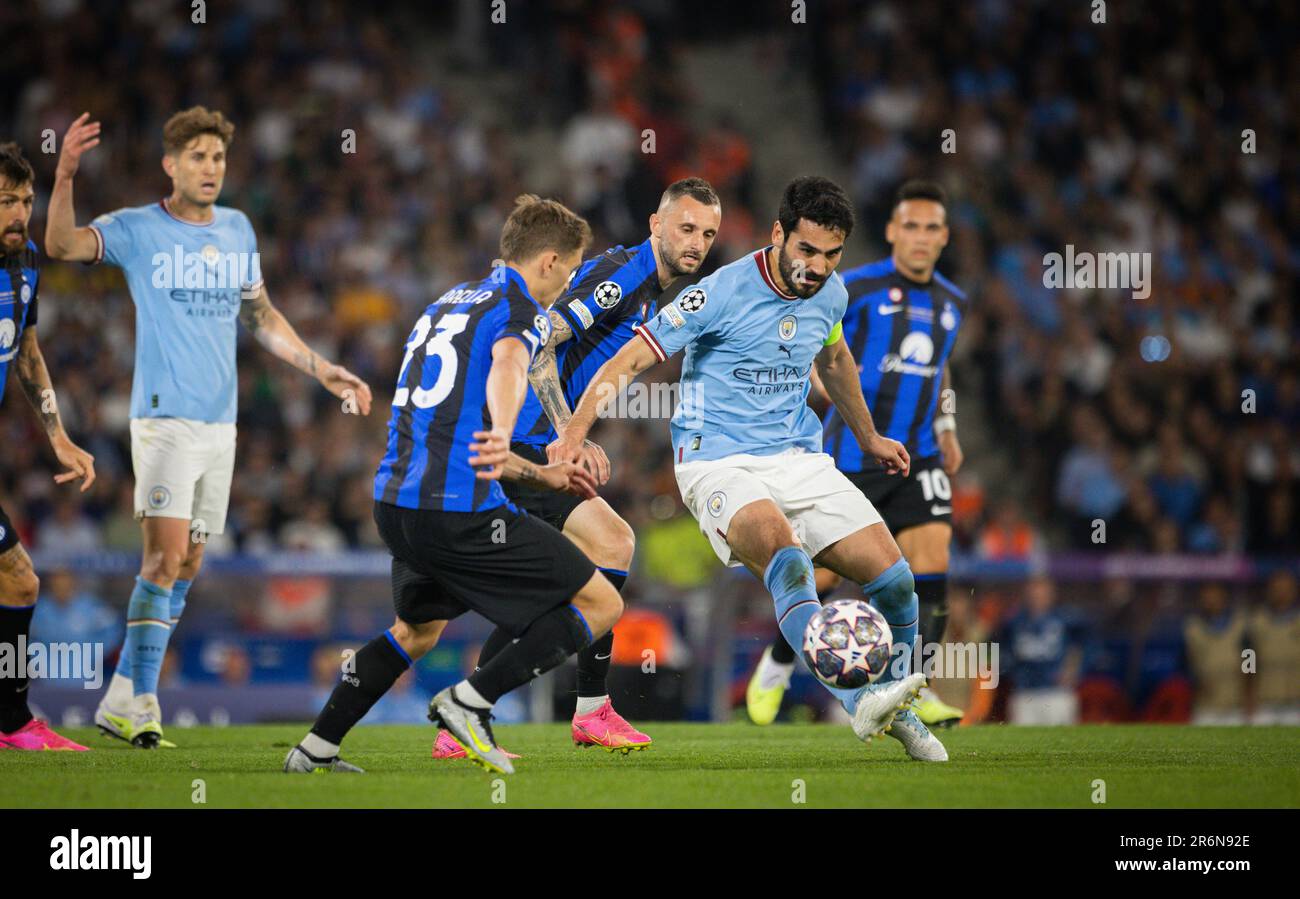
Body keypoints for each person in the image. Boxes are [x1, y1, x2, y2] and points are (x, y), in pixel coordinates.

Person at [555, 176, 946, 761]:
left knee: (897, 584)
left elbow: (835, 358)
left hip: (798, 457)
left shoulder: (831, 295)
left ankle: (898, 704)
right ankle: (858, 701)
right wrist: (574, 433)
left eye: (830, 255)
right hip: (717, 461)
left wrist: (868, 436)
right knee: (786, 557)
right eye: (806, 251)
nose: (816, 267)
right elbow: (632, 356)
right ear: (778, 234)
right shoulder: (719, 292)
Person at [45, 108, 373, 748]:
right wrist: (65, 176)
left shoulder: (237, 228)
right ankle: (142, 699)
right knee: (162, 557)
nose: (210, 168)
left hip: (220, 426)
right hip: (164, 420)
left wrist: (321, 368)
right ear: (170, 165)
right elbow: (60, 246)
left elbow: (260, 315)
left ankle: (117, 697)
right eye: (197, 157)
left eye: (218, 157)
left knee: (190, 560)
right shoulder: (139, 229)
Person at [285, 195, 624, 776]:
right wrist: (503, 423)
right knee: (600, 601)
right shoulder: (520, 309)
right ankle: (471, 702)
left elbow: (452, 427)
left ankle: (314, 749)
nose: (566, 284)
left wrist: (537, 472)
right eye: (568, 271)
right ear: (547, 262)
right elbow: (511, 365)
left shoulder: (443, 303)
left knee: (415, 631)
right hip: (456, 511)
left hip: (395, 504)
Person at [431, 176, 721, 759]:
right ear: (656, 226)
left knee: (561, 583)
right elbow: (537, 342)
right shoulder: (623, 278)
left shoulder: (649, 290)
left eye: (708, 234)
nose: (697, 243)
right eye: (686, 228)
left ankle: (466, 719)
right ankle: (579, 711)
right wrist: (570, 433)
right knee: (607, 550)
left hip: (528, 441)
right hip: (526, 442)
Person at [747, 180, 968, 729]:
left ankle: (913, 688)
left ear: (943, 237)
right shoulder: (856, 287)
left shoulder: (952, 303)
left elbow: (941, 369)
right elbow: (828, 353)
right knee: (820, 580)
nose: (920, 237)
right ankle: (776, 665)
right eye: (910, 225)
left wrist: (947, 424)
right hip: (851, 455)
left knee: (931, 569)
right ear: (892, 230)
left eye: (931, 227)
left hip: (917, 456)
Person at [0, 141, 97, 750]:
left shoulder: (27, 260)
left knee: (17, 583)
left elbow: (27, 352)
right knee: (18, 580)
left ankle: (11, 723)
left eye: (26, 201)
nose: (19, 212)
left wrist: (58, 435)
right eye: (6, 201)